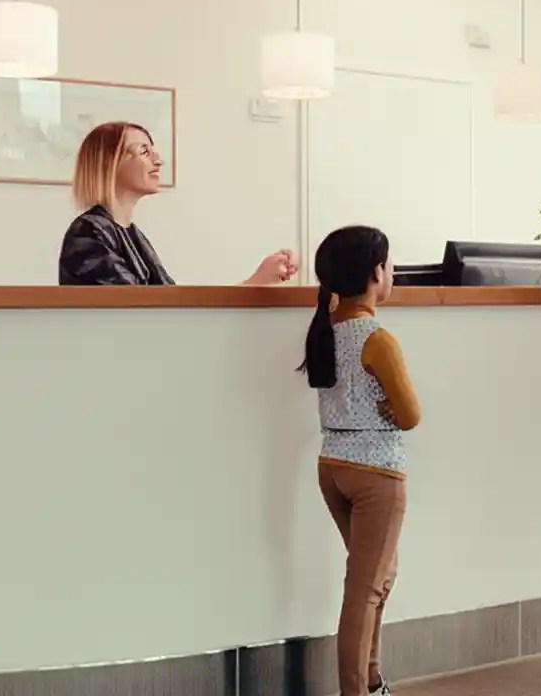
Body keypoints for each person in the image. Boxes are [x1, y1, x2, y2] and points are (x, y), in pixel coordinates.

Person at [299, 225, 420, 696]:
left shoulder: (327, 329)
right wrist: (390, 407)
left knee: (378, 578)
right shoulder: (378, 338)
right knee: (366, 590)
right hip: (377, 476)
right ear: (376, 273)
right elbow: (410, 415)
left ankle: (371, 679)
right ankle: (357, 690)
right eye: (389, 267)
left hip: (333, 467)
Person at [58, 121, 298, 285]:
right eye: (144, 151)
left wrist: (257, 281)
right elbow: (145, 313)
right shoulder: (89, 233)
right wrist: (254, 284)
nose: (158, 160)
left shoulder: (131, 235)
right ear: (109, 163)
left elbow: (172, 305)